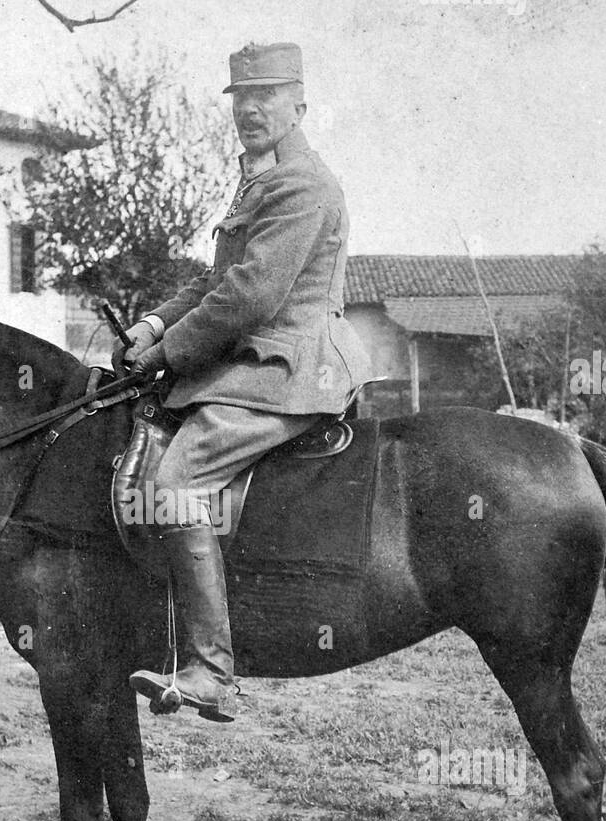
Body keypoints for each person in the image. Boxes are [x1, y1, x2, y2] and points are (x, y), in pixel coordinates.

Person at [117, 42, 376, 723]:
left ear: (300, 105)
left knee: (175, 485)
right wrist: (151, 324)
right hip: (256, 364)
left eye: (266, 96)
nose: (250, 109)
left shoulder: (304, 185)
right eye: (241, 97)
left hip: (290, 372)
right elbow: (214, 281)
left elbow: (251, 297)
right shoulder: (258, 180)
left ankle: (210, 669)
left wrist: (168, 353)